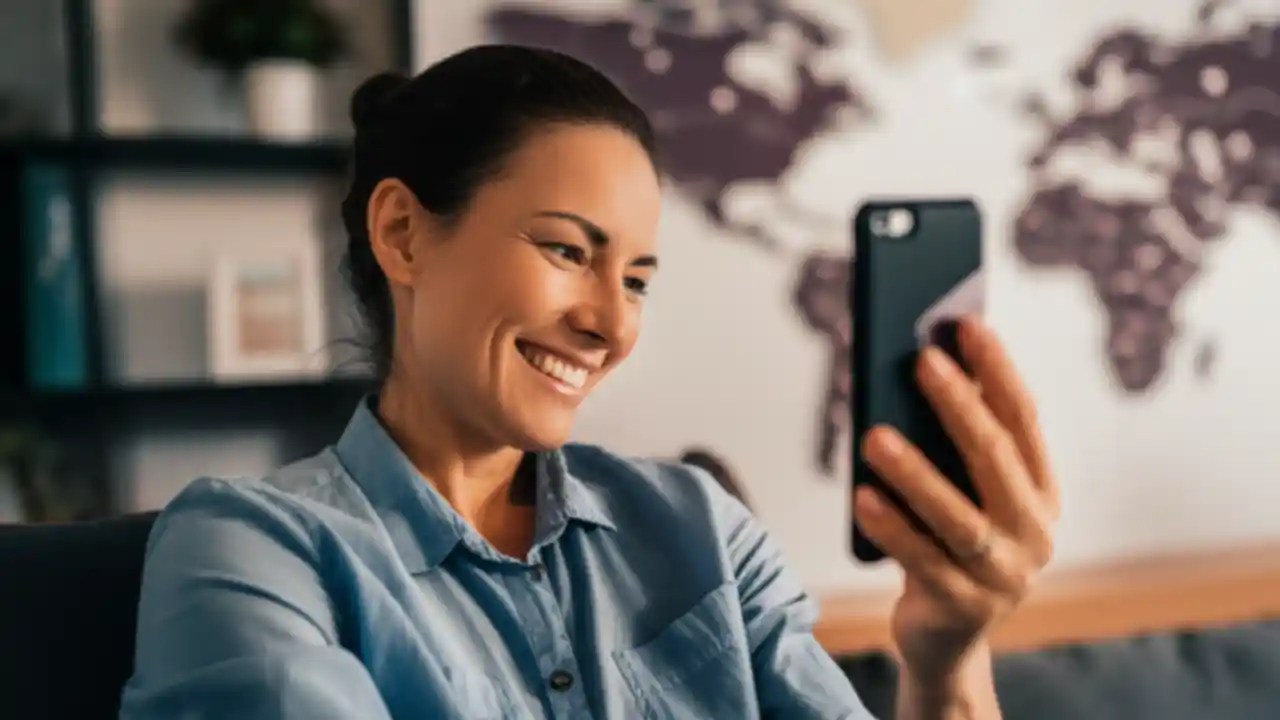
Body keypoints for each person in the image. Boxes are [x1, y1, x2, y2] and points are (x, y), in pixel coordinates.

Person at [119, 44, 1058, 720]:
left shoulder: (704, 529)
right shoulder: (251, 551)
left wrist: (946, 660)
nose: (611, 325)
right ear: (402, 232)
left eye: (638, 280)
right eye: (569, 250)